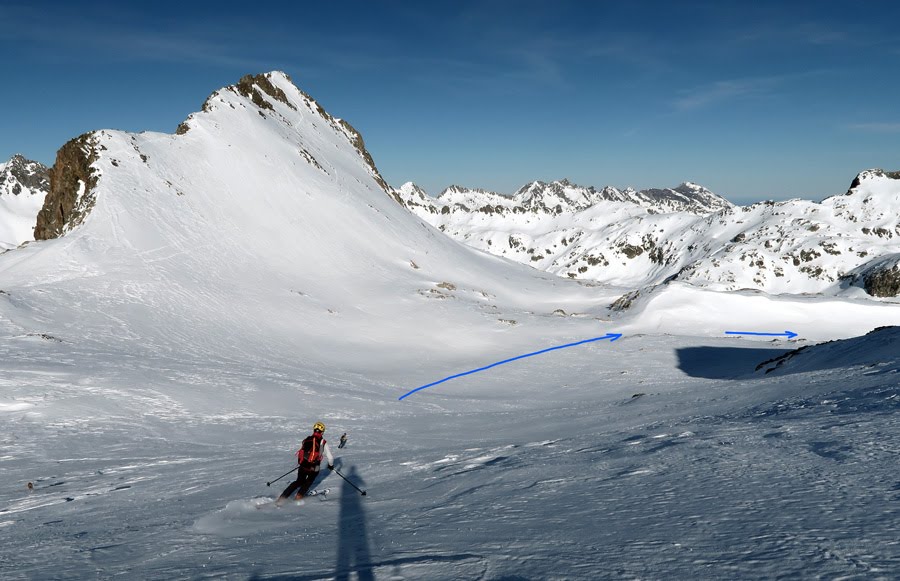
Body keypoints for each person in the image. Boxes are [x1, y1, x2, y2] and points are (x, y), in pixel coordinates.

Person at [277, 421, 334, 503]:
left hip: (303, 465)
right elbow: (330, 457)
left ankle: (282, 497)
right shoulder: (322, 442)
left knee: (299, 481)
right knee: (309, 481)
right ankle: (298, 497)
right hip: (315, 467)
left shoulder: (307, 439)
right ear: (322, 431)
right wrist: (330, 465)